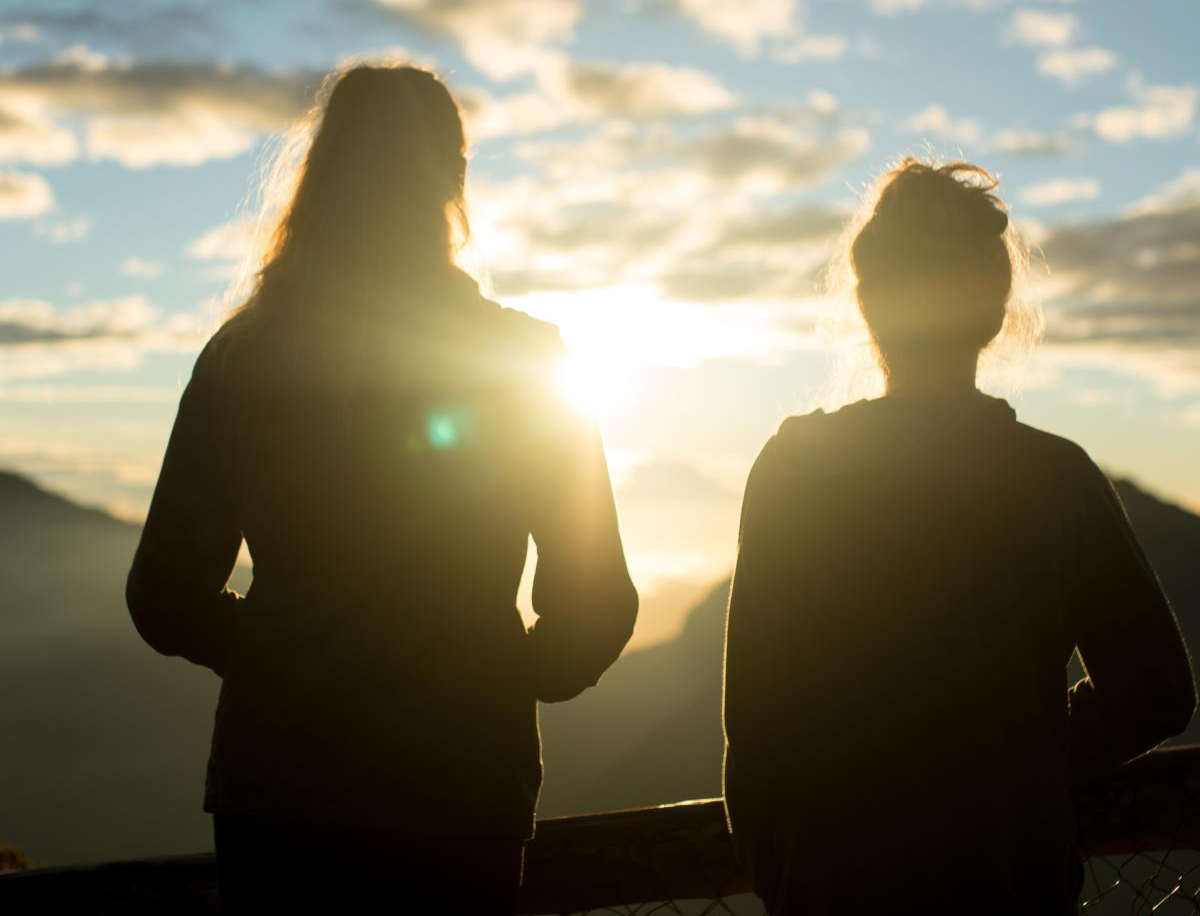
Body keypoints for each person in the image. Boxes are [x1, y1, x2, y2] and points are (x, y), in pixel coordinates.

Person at [126, 63, 638, 914]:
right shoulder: (523, 361)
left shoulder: (245, 359)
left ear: (324, 174)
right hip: (460, 791)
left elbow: (162, 594)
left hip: (280, 792)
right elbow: (596, 603)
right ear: (455, 179)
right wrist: (499, 671)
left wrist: (276, 652)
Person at [722, 158, 1196, 916]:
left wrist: (788, 871)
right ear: (993, 311)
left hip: (836, 879)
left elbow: (757, 721)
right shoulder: (1053, 477)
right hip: (1008, 881)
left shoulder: (797, 469)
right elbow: (1158, 691)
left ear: (870, 303)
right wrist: (1020, 763)